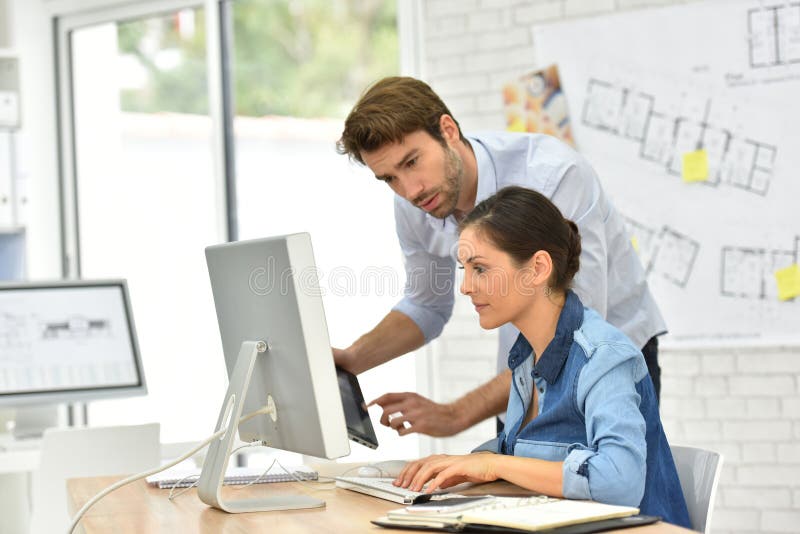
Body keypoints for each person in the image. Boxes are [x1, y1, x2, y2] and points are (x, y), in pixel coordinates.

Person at [335, 76, 666, 437]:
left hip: (608, 363)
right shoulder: (416, 204)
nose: (410, 190)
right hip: (523, 373)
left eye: (412, 161)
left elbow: (572, 333)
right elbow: (426, 305)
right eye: (389, 178)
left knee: (602, 472)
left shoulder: (553, 177)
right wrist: (353, 359)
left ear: (448, 130)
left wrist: (456, 414)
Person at [392, 186, 690, 527]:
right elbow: (525, 454)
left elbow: (619, 482)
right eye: (465, 270)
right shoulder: (527, 357)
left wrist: (493, 464)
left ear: (537, 268)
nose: (466, 287)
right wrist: (464, 463)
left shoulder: (603, 358)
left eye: (481, 269)